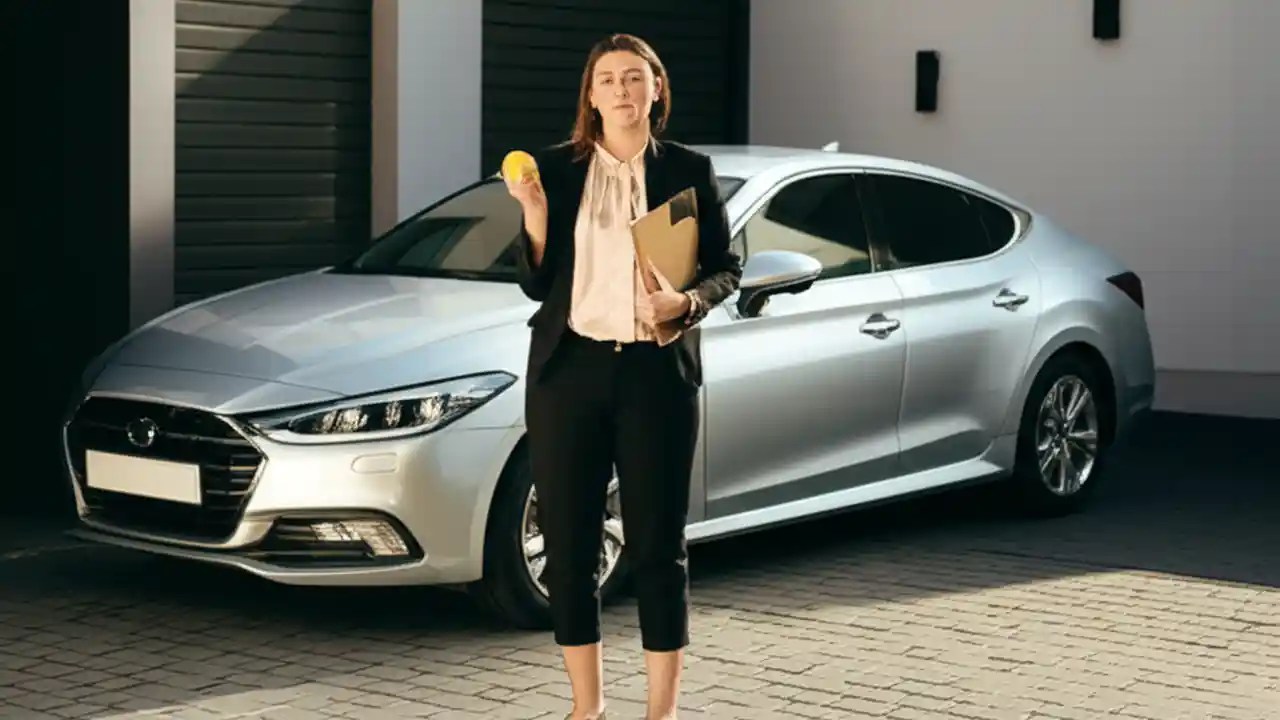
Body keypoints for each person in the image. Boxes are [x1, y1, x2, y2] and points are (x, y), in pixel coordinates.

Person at [504, 33, 742, 720]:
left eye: (635, 77)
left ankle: (660, 713)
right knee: (569, 548)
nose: (622, 90)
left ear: (656, 88)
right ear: (591, 94)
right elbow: (535, 284)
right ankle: (588, 707)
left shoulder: (688, 170)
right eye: (608, 79)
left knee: (658, 547)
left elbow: (726, 267)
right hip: (568, 373)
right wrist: (535, 216)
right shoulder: (554, 170)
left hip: (654, 375)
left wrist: (685, 303)